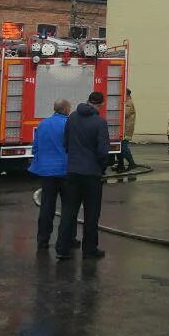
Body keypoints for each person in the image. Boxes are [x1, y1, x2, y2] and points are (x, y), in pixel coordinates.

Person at [58, 91, 111, 261]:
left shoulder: (72, 117)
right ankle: (89, 250)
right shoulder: (100, 123)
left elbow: (65, 142)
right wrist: (101, 168)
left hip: (72, 171)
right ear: (100, 105)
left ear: (88, 101)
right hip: (91, 174)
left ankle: (62, 247)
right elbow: (103, 152)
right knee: (91, 214)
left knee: (68, 211)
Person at [29, 98, 71, 252]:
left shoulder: (43, 124)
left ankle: (42, 239)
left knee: (47, 207)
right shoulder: (68, 124)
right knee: (68, 208)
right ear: (66, 109)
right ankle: (67, 239)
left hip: (46, 172)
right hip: (65, 171)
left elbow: (35, 148)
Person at [115, 89, 137, 171]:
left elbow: (124, 114)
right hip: (123, 129)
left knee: (123, 147)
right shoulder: (127, 102)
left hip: (126, 130)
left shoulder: (128, 103)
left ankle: (131, 163)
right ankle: (120, 165)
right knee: (119, 147)